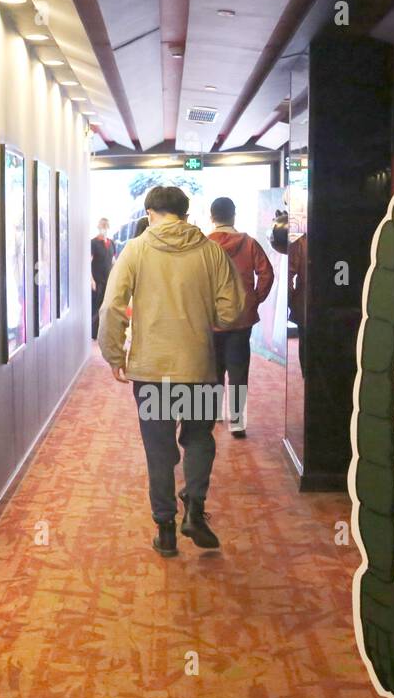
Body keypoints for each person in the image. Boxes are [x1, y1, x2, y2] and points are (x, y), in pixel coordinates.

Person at [98, 186, 243, 557]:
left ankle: (165, 530)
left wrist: (114, 354)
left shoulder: (135, 250)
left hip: (151, 371)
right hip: (198, 367)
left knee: (159, 450)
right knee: (199, 439)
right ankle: (194, 508)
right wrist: (201, 318)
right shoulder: (212, 252)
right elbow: (231, 311)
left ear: (150, 213)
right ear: (186, 213)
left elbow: (112, 306)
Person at [208, 197, 275, 438]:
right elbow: (266, 274)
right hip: (241, 319)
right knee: (238, 370)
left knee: (212, 368)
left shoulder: (204, 245)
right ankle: (237, 423)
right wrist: (254, 300)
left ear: (211, 217)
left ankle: (214, 412)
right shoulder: (249, 243)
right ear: (234, 215)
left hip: (212, 318)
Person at [90, 217, 115, 339]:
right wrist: (91, 280)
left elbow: (113, 261)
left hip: (108, 280)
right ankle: (93, 333)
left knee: (107, 306)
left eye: (106, 226)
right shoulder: (93, 243)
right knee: (96, 306)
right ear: (98, 227)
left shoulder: (111, 243)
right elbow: (88, 262)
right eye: (102, 226)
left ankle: (104, 332)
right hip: (97, 280)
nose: (104, 229)